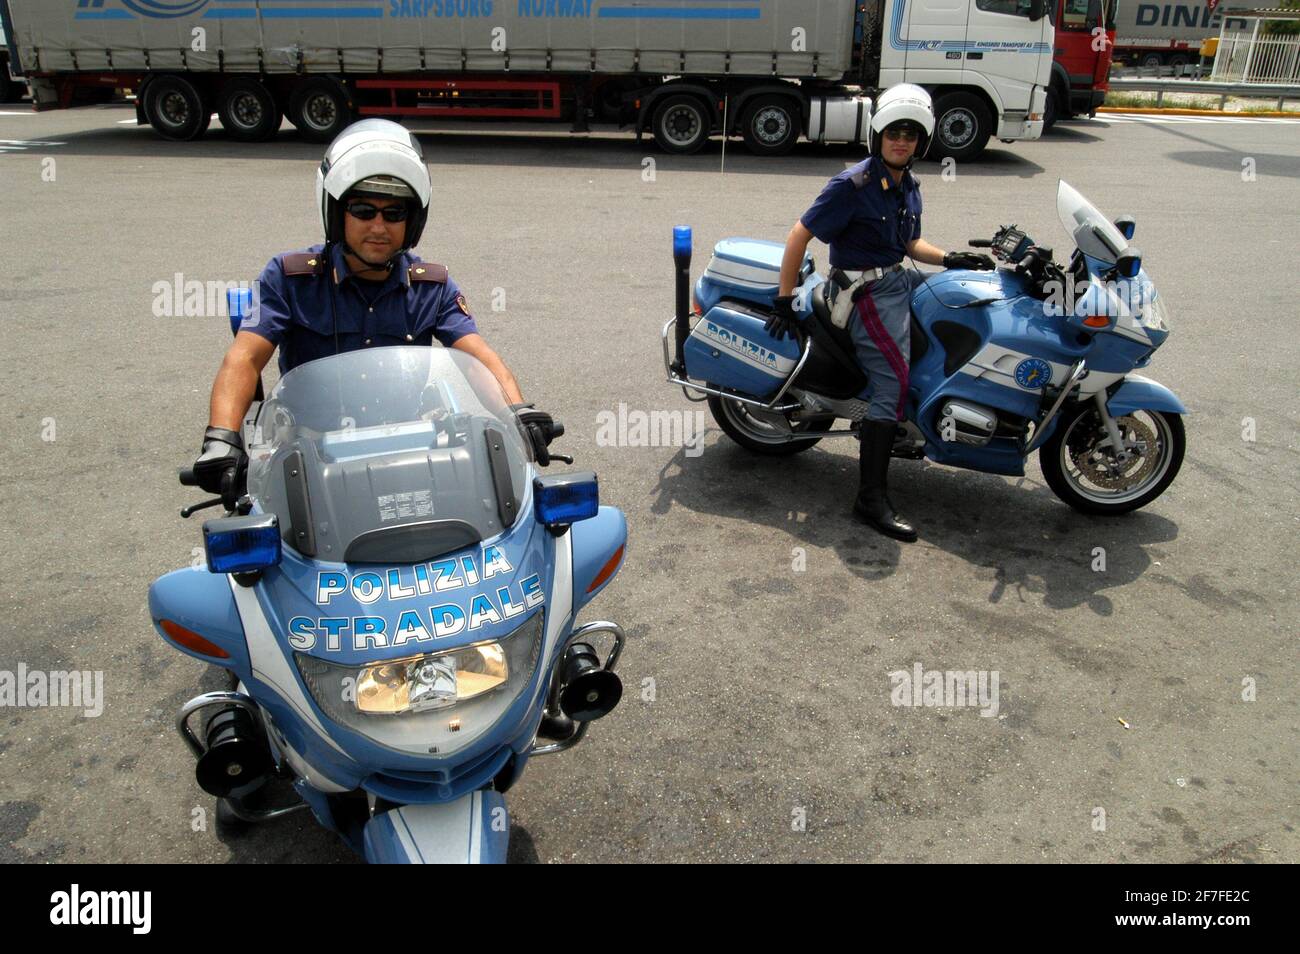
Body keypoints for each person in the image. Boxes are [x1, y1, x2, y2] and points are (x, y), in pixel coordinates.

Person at [193, 119, 555, 496]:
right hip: (306, 456)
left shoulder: (431, 286)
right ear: (337, 213)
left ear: (411, 221)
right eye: (363, 210)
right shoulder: (289, 279)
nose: (379, 226)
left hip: (404, 449)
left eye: (394, 213)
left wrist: (517, 412)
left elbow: (479, 358)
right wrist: (221, 438)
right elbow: (244, 358)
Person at [764, 84, 994, 542]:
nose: (901, 140)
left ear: (921, 142)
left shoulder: (908, 185)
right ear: (877, 136)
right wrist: (784, 297)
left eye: (910, 134)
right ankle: (870, 497)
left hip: (894, 277)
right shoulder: (852, 186)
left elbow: (908, 245)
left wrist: (951, 260)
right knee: (892, 382)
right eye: (893, 132)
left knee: (965, 302)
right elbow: (798, 235)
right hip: (863, 291)